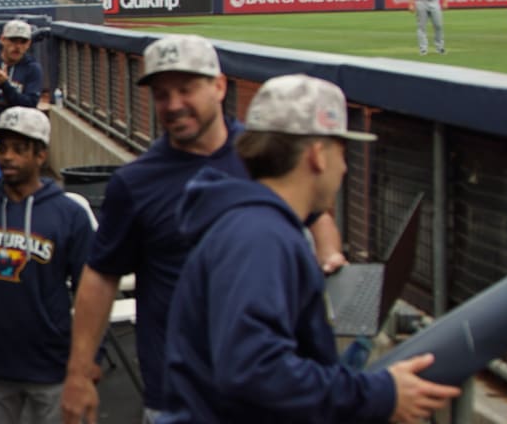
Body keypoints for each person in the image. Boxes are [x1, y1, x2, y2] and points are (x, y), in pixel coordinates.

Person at [60, 34, 346, 424]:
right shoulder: (136, 182)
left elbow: (318, 215)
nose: (174, 105)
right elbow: (101, 274)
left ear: (219, 86)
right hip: (179, 391)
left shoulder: (262, 154)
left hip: (270, 382)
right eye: (162, 94)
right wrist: (80, 373)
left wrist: (329, 256)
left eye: (186, 89)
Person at [161, 75, 460, 423]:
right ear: (318, 154)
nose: (345, 167)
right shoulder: (259, 237)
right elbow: (254, 371)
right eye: (342, 152)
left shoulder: (254, 226)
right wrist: (378, 394)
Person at [0, 107, 93, 424]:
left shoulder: (69, 214)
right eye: (2, 148)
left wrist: (90, 360)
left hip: (50, 365)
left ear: (40, 155)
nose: (7, 156)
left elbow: (90, 291)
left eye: (19, 149)